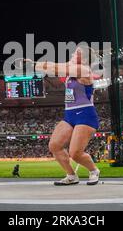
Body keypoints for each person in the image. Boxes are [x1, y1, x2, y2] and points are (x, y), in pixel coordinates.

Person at [28, 47, 101, 186]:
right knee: (54, 145)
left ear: (84, 59)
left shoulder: (83, 70)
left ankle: (94, 170)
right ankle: (71, 175)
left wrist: (34, 65)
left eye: (77, 53)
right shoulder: (71, 67)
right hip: (70, 115)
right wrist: (33, 63)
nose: (73, 54)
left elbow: (55, 69)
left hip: (85, 115)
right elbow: (54, 66)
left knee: (75, 153)